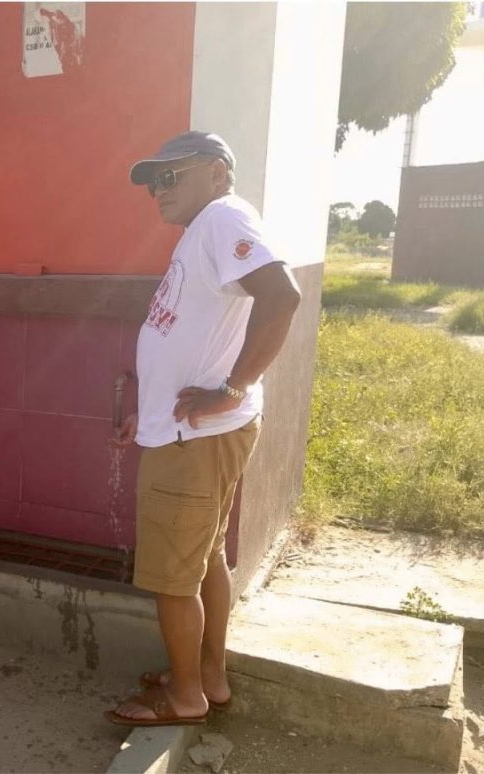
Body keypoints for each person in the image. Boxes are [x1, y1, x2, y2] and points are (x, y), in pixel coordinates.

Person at [105, 131, 301, 726]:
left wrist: (232, 388)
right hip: (189, 430)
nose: (157, 190)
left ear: (217, 173)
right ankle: (208, 677)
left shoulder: (221, 217)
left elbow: (282, 296)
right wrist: (155, 407)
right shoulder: (205, 231)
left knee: (173, 576)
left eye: (172, 175)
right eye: (153, 181)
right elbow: (195, 334)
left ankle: (184, 698)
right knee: (205, 557)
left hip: (194, 440)